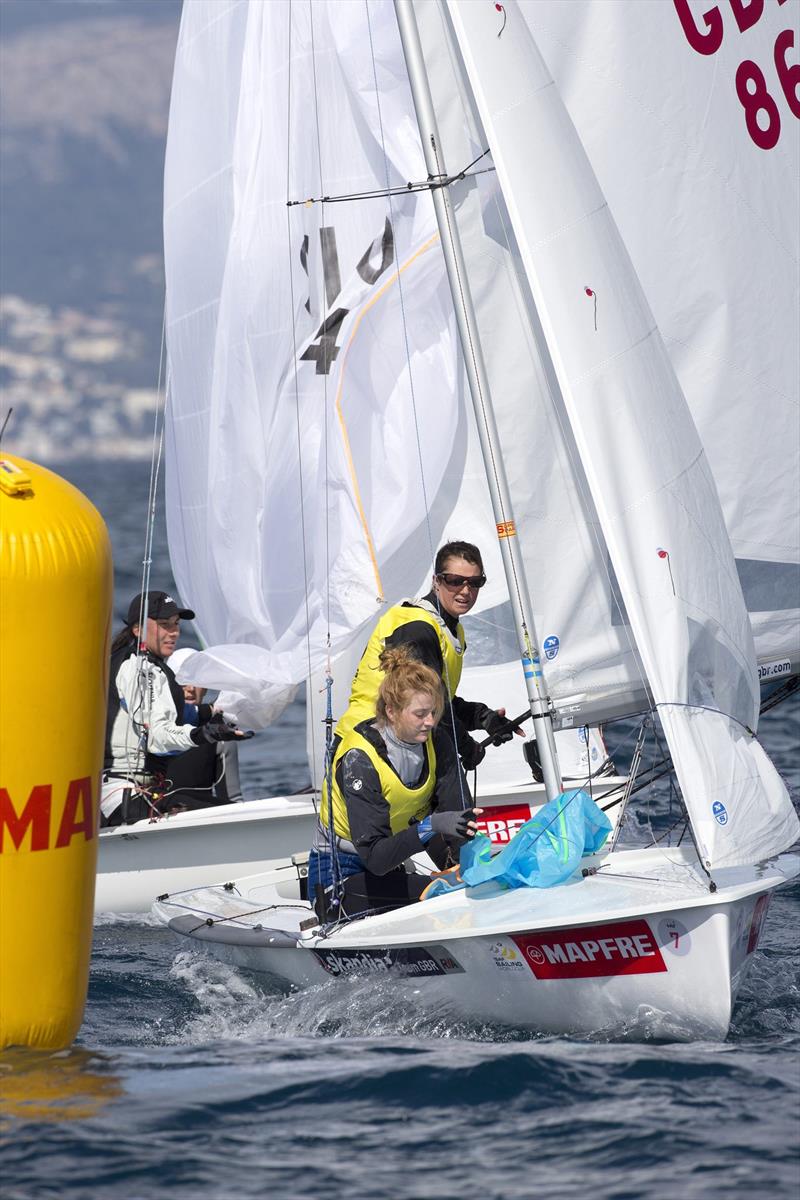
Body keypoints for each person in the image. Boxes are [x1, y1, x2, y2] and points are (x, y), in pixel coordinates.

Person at [308, 646, 482, 919]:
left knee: (470, 883)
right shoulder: (359, 760)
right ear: (391, 711)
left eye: (434, 712)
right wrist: (431, 825)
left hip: (392, 862)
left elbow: (456, 815)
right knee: (441, 890)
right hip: (342, 874)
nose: (430, 721)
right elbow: (376, 858)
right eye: (420, 714)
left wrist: (469, 865)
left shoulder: (437, 741)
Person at [335, 541, 521, 771]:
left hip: (400, 747)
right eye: (454, 581)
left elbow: (441, 701)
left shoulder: (449, 629)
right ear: (436, 581)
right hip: (366, 748)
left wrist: (485, 718)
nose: (465, 590)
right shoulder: (417, 627)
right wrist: (466, 746)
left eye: (475, 583)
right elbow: (427, 701)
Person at [101, 590, 251, 827]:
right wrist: (204, 734)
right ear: (137, 629)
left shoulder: (137, 662)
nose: (173, 633)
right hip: (123, 797)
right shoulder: (141, 669)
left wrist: (213, 710)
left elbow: (176, 714)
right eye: (163, 625)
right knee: (237, 817)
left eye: (176, 625)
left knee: (228, 810)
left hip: (134, 793)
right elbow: (157, 737)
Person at [160, 646, 244, 810]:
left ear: (205, 686)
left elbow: (233, 799)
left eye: (196, 681)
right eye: (182, 681)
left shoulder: (219, 732)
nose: (190, 689)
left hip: (199, 821)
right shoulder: (150, 727)